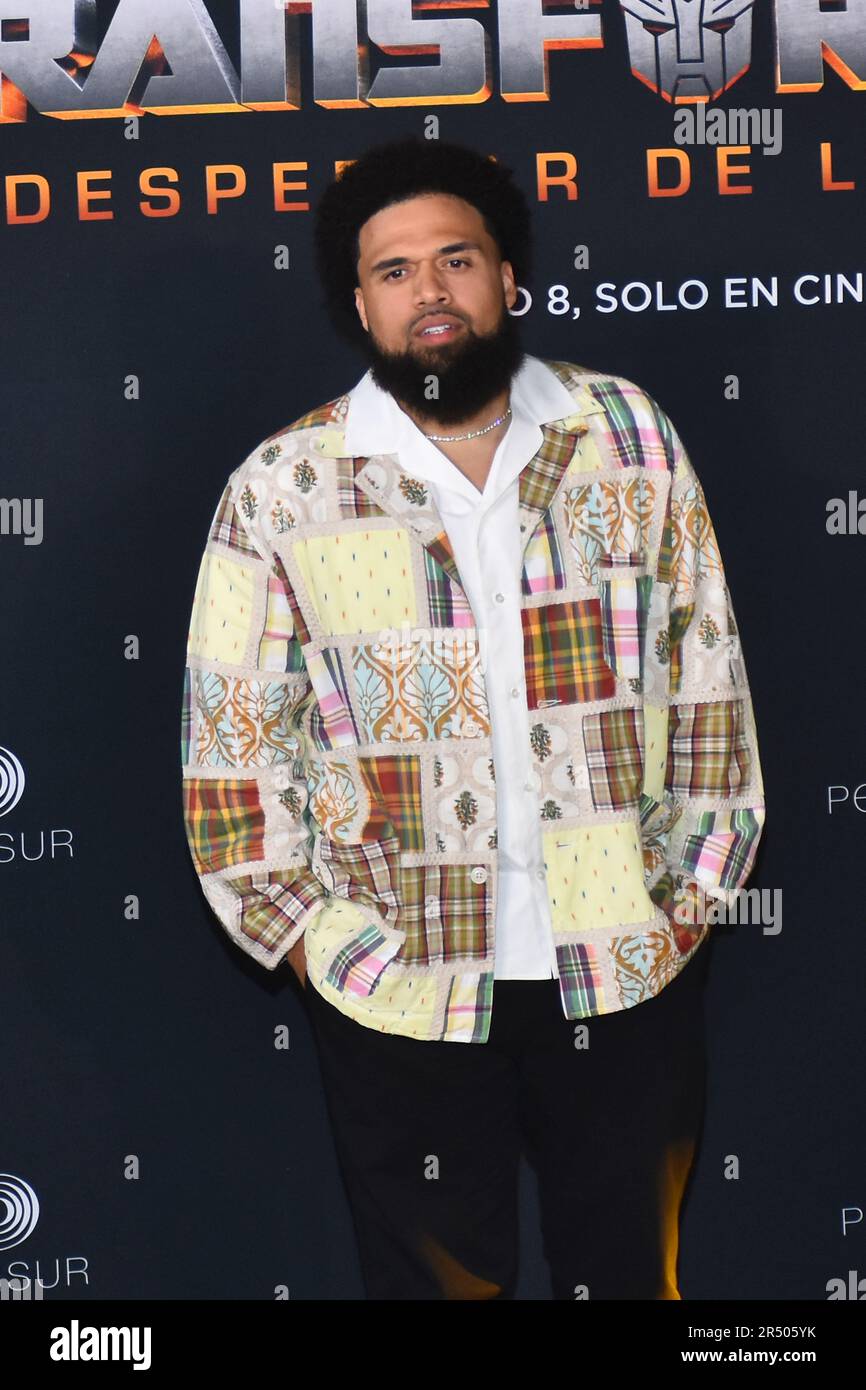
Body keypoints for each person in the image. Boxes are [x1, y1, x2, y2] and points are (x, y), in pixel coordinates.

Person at [181, 136, 766, 1300]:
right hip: (401, 983)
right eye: (394, 272)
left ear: (510, 279)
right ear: (360, 305)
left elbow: (707, 682)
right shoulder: (285, 483)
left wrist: (684, 897)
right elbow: (232, 745)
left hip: (621, 966)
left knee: (630, 1279)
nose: (428, 292)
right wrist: (317, 943)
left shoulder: (627, 436)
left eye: (454, 259)